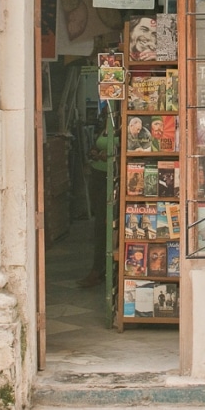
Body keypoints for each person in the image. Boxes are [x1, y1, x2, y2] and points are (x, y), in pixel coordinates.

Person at [77, 108, 115, 288]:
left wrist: (109, 155)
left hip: (114, 179)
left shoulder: (126, 126)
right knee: (100, 224)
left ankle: (104, 269)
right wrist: (95, 153)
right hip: (99, 177)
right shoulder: (106, 126)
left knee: (109, 224)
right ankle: (98, 269)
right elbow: (96, 145)